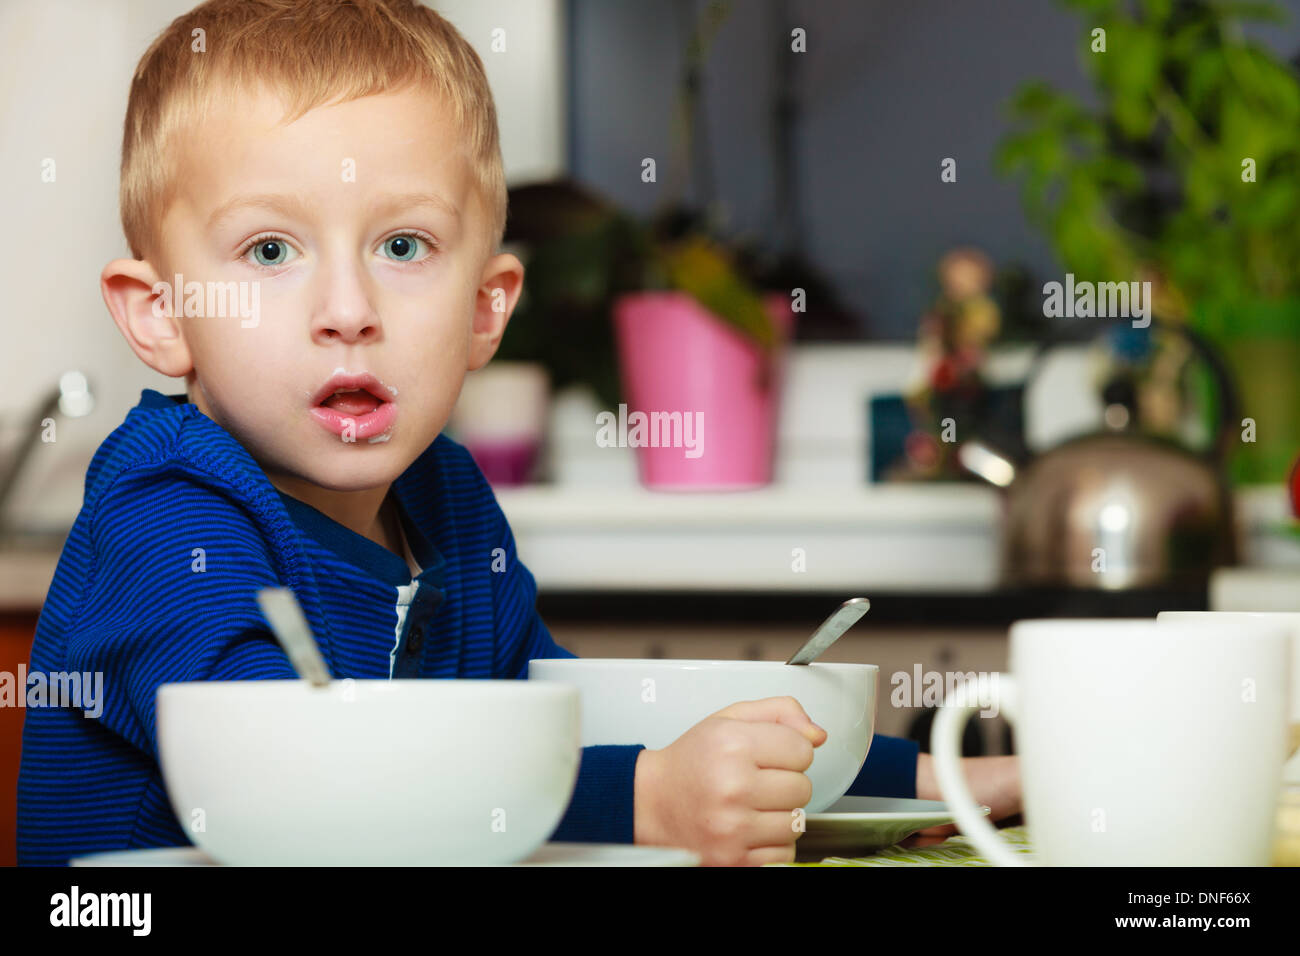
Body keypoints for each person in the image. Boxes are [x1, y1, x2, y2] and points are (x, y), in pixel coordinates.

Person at [17, 0, 1019, 867]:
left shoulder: (446, 498)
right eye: (270, 248)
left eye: (402, 245)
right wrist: (646, 799)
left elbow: (563, 719)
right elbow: (304, 788)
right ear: (160, 314)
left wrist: (929, 775)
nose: (347, 306)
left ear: (487, 307)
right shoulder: (166, 507)